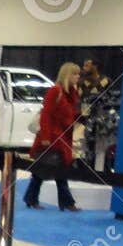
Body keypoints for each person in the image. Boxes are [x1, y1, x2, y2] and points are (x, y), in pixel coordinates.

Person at [25, 62, 82, 212]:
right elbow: (46, 115)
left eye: (78, 74)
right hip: (52, 139)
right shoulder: (55, 91)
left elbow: (73, 115)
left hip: (63, 139)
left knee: (54, 172)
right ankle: (65, 203)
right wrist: (45, 137)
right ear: (67, 75)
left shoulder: (73, 94)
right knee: (43, 172)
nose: (78, 77)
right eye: (75, 74)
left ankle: (62, 202)